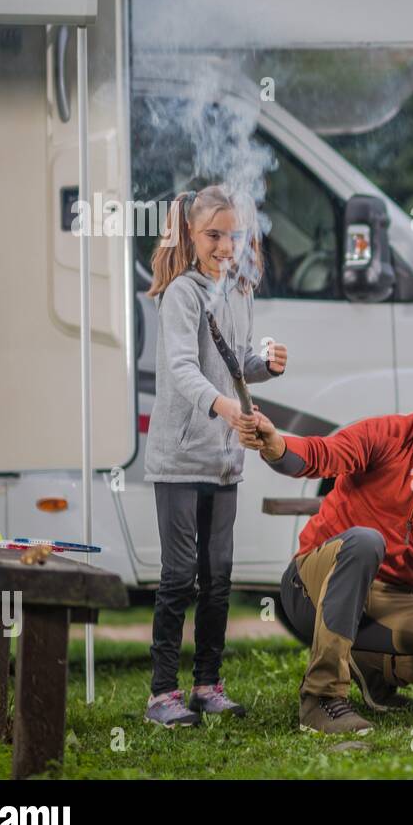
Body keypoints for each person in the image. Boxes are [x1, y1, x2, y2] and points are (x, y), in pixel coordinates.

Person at [242, 346, 413, 735]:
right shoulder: (389, 434)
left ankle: (377, 669)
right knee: (365, 542)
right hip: (310, 587)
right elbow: (321, 454)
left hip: (386, 601)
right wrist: (276, 444)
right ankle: (321, 699)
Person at [142, 185, 289, 727]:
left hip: (225, 461)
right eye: (214, 235)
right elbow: (182, 369)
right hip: (179, 458)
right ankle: (162, 694)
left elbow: (235, 360)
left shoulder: (239, 291)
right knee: (179, 575)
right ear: (192, 234)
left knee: (218, 576)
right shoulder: (181, 293)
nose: (225, 246)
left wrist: (264, 364)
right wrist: (226, 406)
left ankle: (207, 684)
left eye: (234, 235)